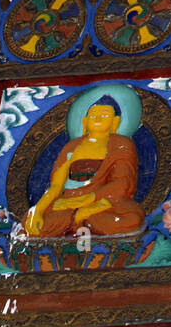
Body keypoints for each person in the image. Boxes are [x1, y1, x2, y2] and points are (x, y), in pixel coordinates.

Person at [24, 96, 145, 238]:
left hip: (105, 203)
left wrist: (88, 201)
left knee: (133, 219)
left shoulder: (121, 144)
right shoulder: (71, 147)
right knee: (30, 221)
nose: (98, 118)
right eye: (93, 115)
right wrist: (37, 210)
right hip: (68, 203)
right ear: (84, 121)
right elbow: (56, 187)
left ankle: (76, 220)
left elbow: (122, 184)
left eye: (105, 115)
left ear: (115, 122)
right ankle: (79, 219)